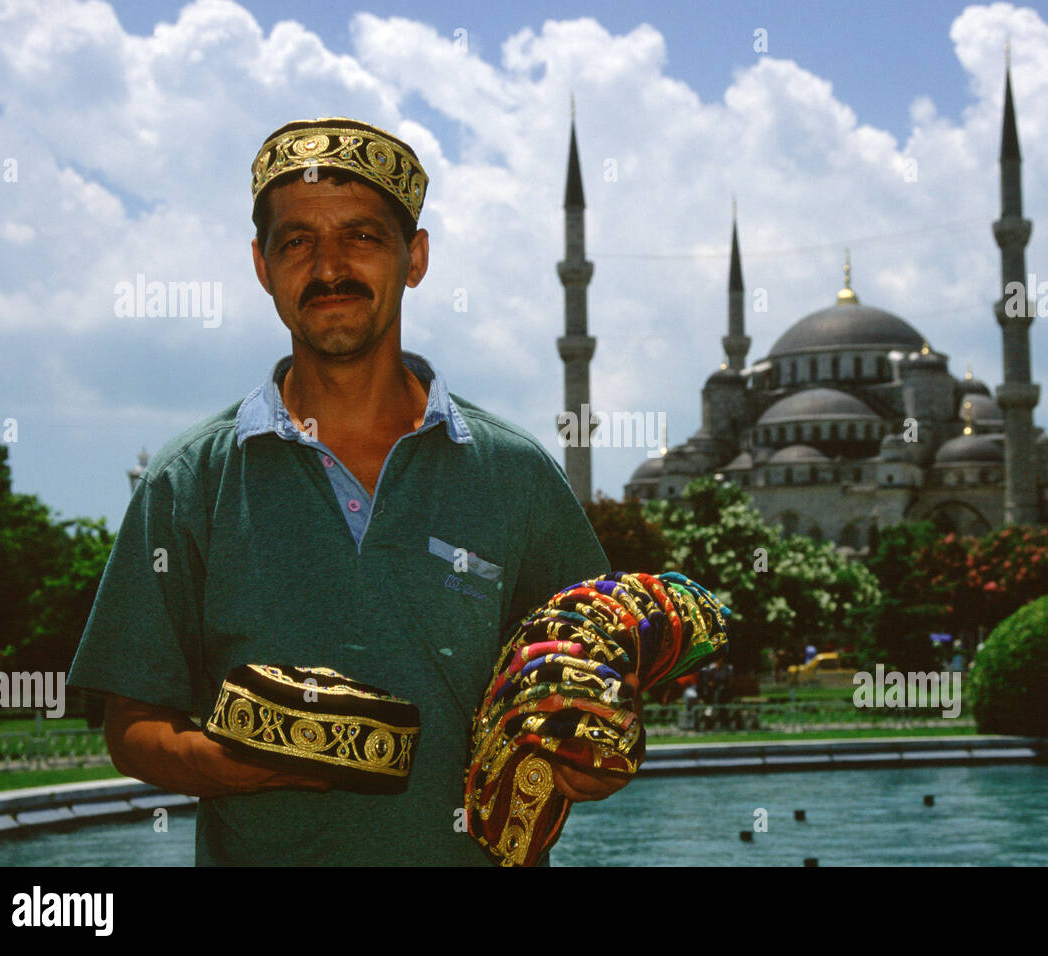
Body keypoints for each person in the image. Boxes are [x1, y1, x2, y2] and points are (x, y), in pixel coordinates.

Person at [68, 117, 634, 866]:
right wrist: (231, 765)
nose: (328, 266)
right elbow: (130, 722)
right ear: (262, 266)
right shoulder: (190, 481)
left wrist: (587, 753)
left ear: (416, 258)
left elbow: (598, 677)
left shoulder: (515, 473)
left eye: (362, 236)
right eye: (296, 241)